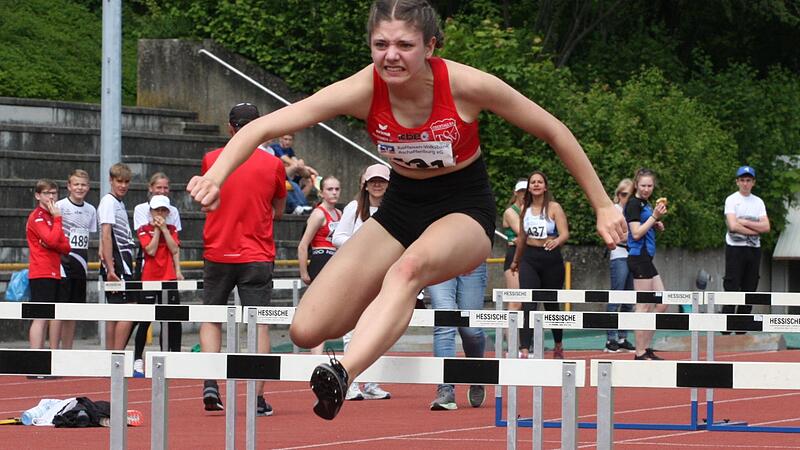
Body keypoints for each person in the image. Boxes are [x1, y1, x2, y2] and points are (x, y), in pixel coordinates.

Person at [188, 0, 625, 421]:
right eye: (380, 45)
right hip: (400, 209)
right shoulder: (363, 88)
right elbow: (266, 125)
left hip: (463, 209)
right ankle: (391, 306)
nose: (391, 56)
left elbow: (554, 130)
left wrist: (603, 205)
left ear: (430, 46)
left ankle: (344, 373)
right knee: (307, 329)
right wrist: (216, 175)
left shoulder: (466, 85)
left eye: (404, 46)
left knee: (406, 269)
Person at [199, 102, 287, 417]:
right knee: (259, 323)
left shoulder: (211, 159)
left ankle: (210, 382)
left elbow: (206, 200)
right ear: (259, 126)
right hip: (257, 253)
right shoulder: (273, 165)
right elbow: (278, 210)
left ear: (230, 127)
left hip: (218, 250)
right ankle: (257, 395)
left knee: (212, 318)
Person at [331, 164, 393, 401]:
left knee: (378, 327)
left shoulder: (396, 209)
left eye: (382, 181)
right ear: (364, 184)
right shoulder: (354, 208)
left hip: (384, 275)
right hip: (356, 274)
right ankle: (349, 382)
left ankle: (372, 382)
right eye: (373, 181)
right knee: (352, 330)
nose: (377, 185)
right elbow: (337, 236)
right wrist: (361, 249)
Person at [509, 171, 569, 359]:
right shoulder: (524, 209)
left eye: (539, 182)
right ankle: (525, 348)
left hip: (551, 258)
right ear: (528, 187)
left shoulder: (554, 207)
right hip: (529, 257)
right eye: (532, 182)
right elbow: (521, 238)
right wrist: (516, 261)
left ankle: (558, 344)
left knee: (551, 304)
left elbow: (565, 233)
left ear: (545, 186)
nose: (535, 185)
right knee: (528, 302)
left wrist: (557, 241)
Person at [132, 195, 183, 378]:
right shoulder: (144, 229)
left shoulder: (172, 228)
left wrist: (164, 230)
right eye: (157, 210)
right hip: (149, 278)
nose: (160, 213)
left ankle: (171, 358)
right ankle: (138, 359)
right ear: (151, 212)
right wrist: (157, 231)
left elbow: (174, 249)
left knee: (170, 319)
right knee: (145, 320)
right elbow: (151, 250)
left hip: (168, 277)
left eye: (163, 210)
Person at [428, 262, 488, 411]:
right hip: (439, 261)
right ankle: (446, 389)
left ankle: (477, 375)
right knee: (444, 324)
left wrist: (475, 254)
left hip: (472, 260)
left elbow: (488, 237)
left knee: (471, 330)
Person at [625, 168, 668, 360]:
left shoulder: (646, 203)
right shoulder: (633, 204)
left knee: (662, 303)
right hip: (638, 257)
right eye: (643, 185)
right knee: (643, 305)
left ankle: (645, 347)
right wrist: (654, 219)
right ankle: (639, 351)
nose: (646, 189)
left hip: (647, 258)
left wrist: (656, 224)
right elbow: (635, 233)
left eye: (650, 186)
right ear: (636, 184)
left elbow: (646, 225)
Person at [297, 175, 342, 354]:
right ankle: (315, 353)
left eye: (337, 189)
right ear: (322, 192)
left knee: (330, 309)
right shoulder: (318, 214)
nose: (334, 193)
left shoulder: (339, 213)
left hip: (335, 262)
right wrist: (303, 272)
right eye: (330, 189)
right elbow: (303, 244)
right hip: (320, 260)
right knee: (320, 309)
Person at [721, 165, 769, 332]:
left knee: (750, 286)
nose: (745, 184)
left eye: (748, 180)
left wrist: (746, 222)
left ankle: (742, 328)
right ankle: (726, 327)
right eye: (742, 180)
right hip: (735, 248)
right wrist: (755, 230)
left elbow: (766, 227)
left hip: (754, 249)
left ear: (753, 182)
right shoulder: (732, 200)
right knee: (732, 285)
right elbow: (733, 226)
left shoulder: (758, 202)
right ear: (737, 182)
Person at [27, 179, 71, 350]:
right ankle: (35, 360)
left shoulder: (52, 217)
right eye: (47, 193)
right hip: (41, 272)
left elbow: (66, 247)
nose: (51, 197)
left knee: (52, 315)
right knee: (41, 317)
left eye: (54, 193)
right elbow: (53, 239)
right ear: (38, 195)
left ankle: (46, 359)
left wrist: (53, 243)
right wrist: (58, 220)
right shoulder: (37, 216)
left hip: (54, 271)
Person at [55, 169, 97, 349]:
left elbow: (88, 237)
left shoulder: (91, 210)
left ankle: (67, 351)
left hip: (81, 264)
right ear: (69, 186)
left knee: (73, 310)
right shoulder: (60, 206)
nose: (80, 188)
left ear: (88, 187)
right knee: (60, 309)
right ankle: (54, 350)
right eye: (76, 184)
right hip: (62, 263)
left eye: (83, 185)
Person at [98, 163, 136, 350]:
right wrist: (110, 268)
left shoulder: (119, 203)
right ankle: (116, 354)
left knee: (117, 310)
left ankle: (112, 356)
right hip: (118, 265)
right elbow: (106, 233)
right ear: (111, 181)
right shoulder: (108, 201)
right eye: (119, 181)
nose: (122, 185)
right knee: (127, 309)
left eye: (126, 182)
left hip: (124, 263)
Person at [605, 178, 636, 353]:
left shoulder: (634, 210)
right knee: (615, 296)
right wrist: (635, 235)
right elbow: (617, 237)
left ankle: (623, 337)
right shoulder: (615, 211)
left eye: (630, 195)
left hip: (632, 255)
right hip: (619, 255)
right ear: (618, 195)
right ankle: (610, 338)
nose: (626, 198)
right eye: (623, 194)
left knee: (628, 300)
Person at [502, 179, 526, 349]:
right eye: (521, 191)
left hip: (530, 257)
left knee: (528, 302)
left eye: (527, 191)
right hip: (514, 257)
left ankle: (525, 343)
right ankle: (511, 345)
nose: (524, 194)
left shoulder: (536, 211)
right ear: (516, 193)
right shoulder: (511, 212)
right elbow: (523, 232)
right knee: (515, 301)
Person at [269, 133, 319, 198]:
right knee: (296, 165)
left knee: (309, 182)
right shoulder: (276, 147)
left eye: (290, 140)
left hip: (291, 174)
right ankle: (310, 174)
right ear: (280, 139)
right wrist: (308, 168)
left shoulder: (290, 150)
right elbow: (289, 161)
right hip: (280, 174)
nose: (288, 142)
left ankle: (301, 202)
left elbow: (296, 161)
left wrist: (301, 164)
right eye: (285, 139)